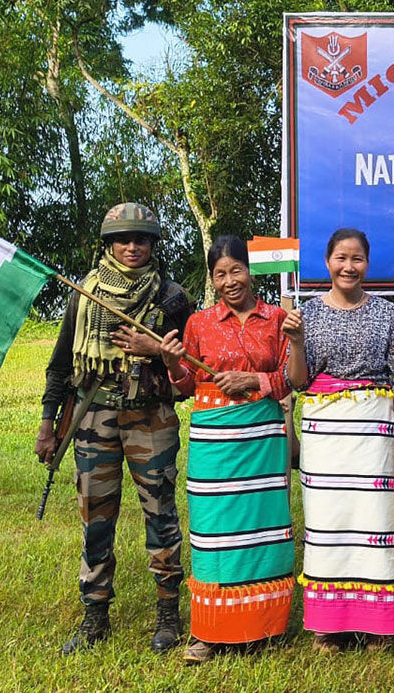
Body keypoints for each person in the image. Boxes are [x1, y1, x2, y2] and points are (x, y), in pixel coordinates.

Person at [34, 202, 193, 654]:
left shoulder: (174, 298)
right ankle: (94, 614)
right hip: (94, 417)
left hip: (151, 416)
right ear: (108, 244)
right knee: (95, 517)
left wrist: (156, 350)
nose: (131, 247)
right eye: (123, 240)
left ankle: (167, 611)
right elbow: (61, 365)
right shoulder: (84, 294)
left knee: (160, 512)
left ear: (152, 245)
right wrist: (48, 425)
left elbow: (191, 366)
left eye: (140, 240)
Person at [159, 236, 294, 664]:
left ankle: (264, 625)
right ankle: (208, 630)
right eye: (220, 274)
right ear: (212, 278)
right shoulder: (198, 324)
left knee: (261, 528)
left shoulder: (277, 320)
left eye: (236, 270)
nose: (230, 280)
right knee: (212, 530)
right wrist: (171, 362)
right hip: (213, 444)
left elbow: (293, 378)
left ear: (250, 271)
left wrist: (254, 382)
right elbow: (183, 387)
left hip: (262, 441)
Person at [283, 228, 394, 651]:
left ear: (367, 264)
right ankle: (329, 625)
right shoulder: (307, 314)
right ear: (328, 262)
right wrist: (298, 342)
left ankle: (378, 624)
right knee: (328, 524)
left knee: (377, 524)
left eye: (357, 259)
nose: (348, 266)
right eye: (341, 257)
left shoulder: (387, 313)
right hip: (326, 433)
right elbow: (298, 382)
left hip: (375, 434)